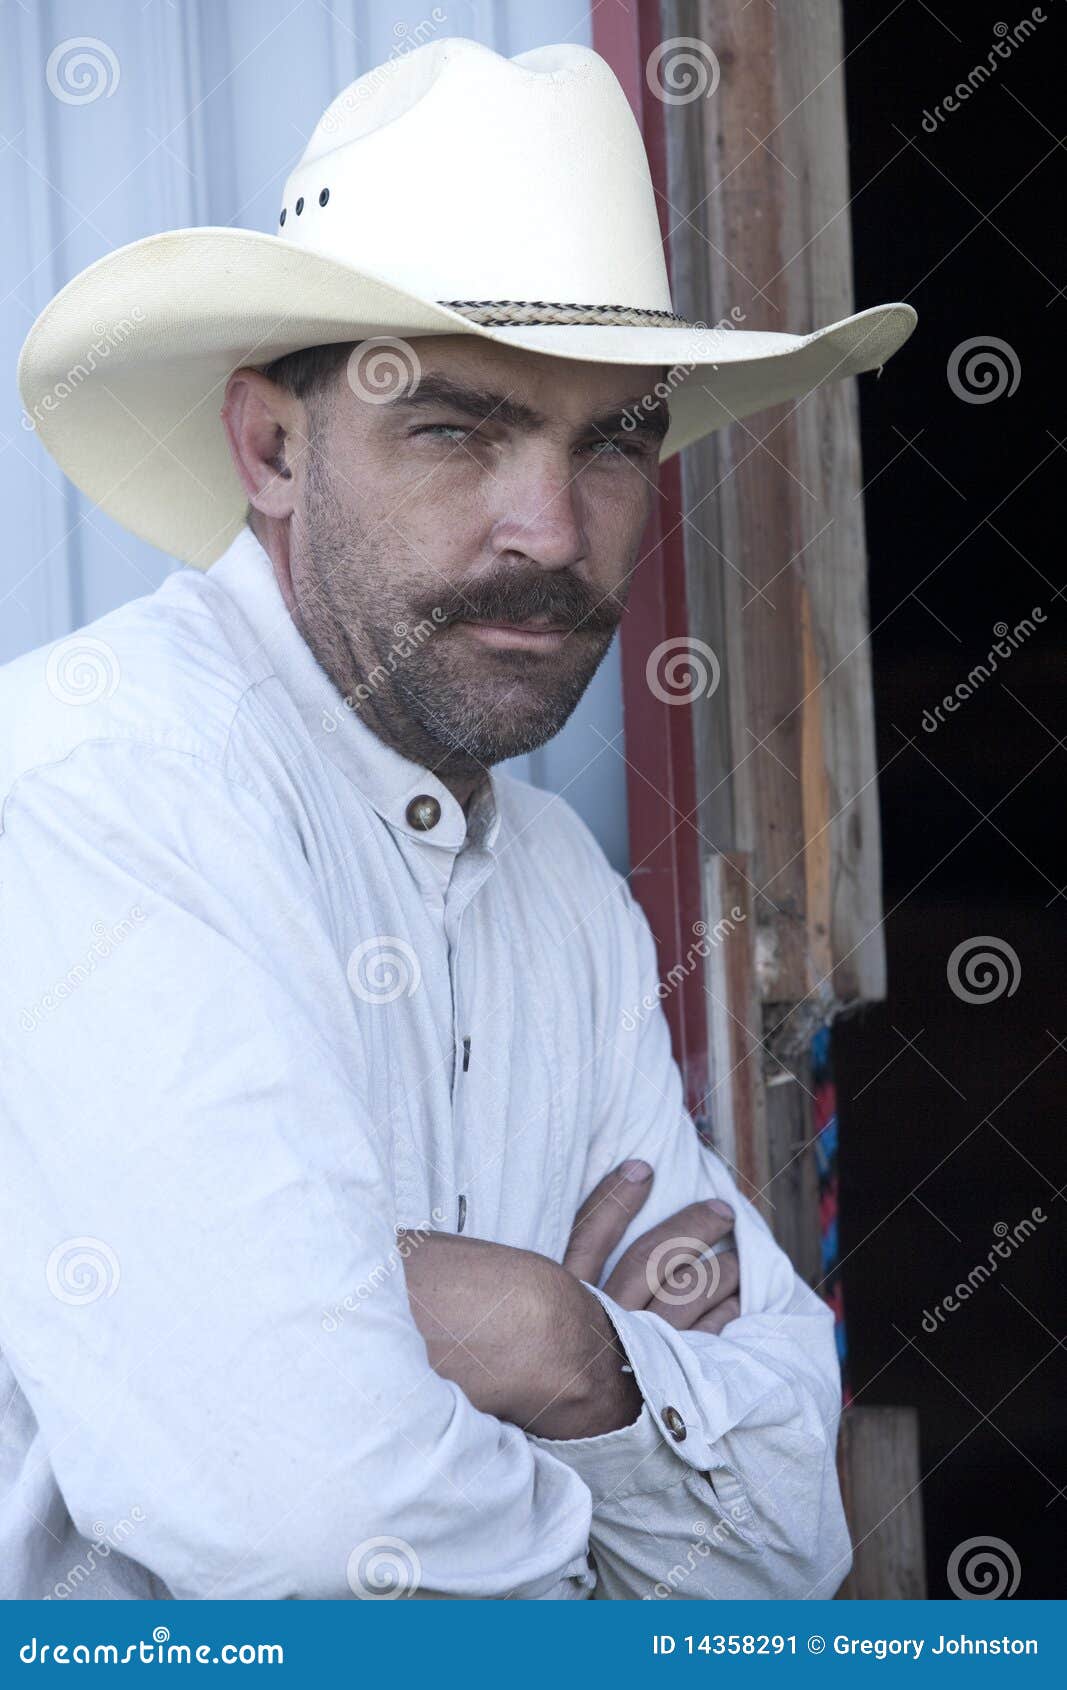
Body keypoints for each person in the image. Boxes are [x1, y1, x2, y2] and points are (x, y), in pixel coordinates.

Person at [2, 36, 915, 1601]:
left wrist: (558, 1344)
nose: (550, 531)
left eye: (613, 437)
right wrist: (621, 1422)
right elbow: (317, 1527)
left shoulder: (557, 888)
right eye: (456, 428)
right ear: (273, 447)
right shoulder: (101, 790)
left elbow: (783, 1544)